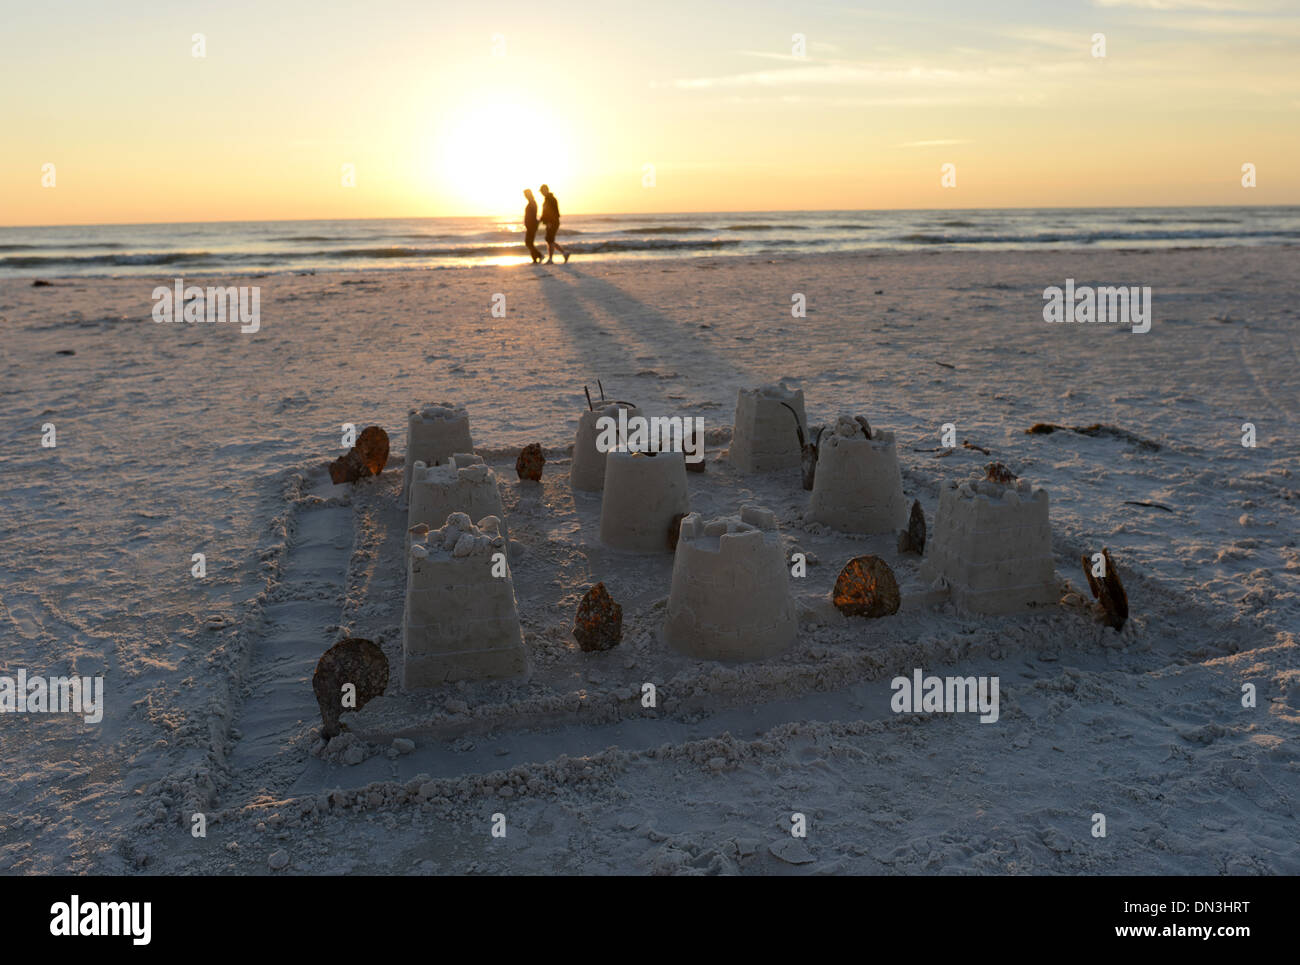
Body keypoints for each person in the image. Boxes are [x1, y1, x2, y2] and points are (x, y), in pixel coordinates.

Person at [538, 184, 570, 264]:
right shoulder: (547, 199)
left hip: (552, 222)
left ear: (546, 190)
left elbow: (553, 212)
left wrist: (549, 222)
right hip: (551, 222)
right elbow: (545, 213)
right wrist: (541, 220)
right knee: (549, 240)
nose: (541, 193)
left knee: (550, 239)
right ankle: (564, 253)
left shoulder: (551, 199)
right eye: (541, 191)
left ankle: (551, 259)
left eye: (542, 191)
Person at [522, 189, 543, 263]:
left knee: (528, 242)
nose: (525, 196)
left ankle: (539, 255)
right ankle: (535, 259)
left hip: (532, 225)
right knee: (529, 243)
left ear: (529, 194)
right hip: (530, 225)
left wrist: (530, 223)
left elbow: (532, 215)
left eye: (526, 194)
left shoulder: (532, 203)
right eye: (524, 195)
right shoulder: (531, 202)